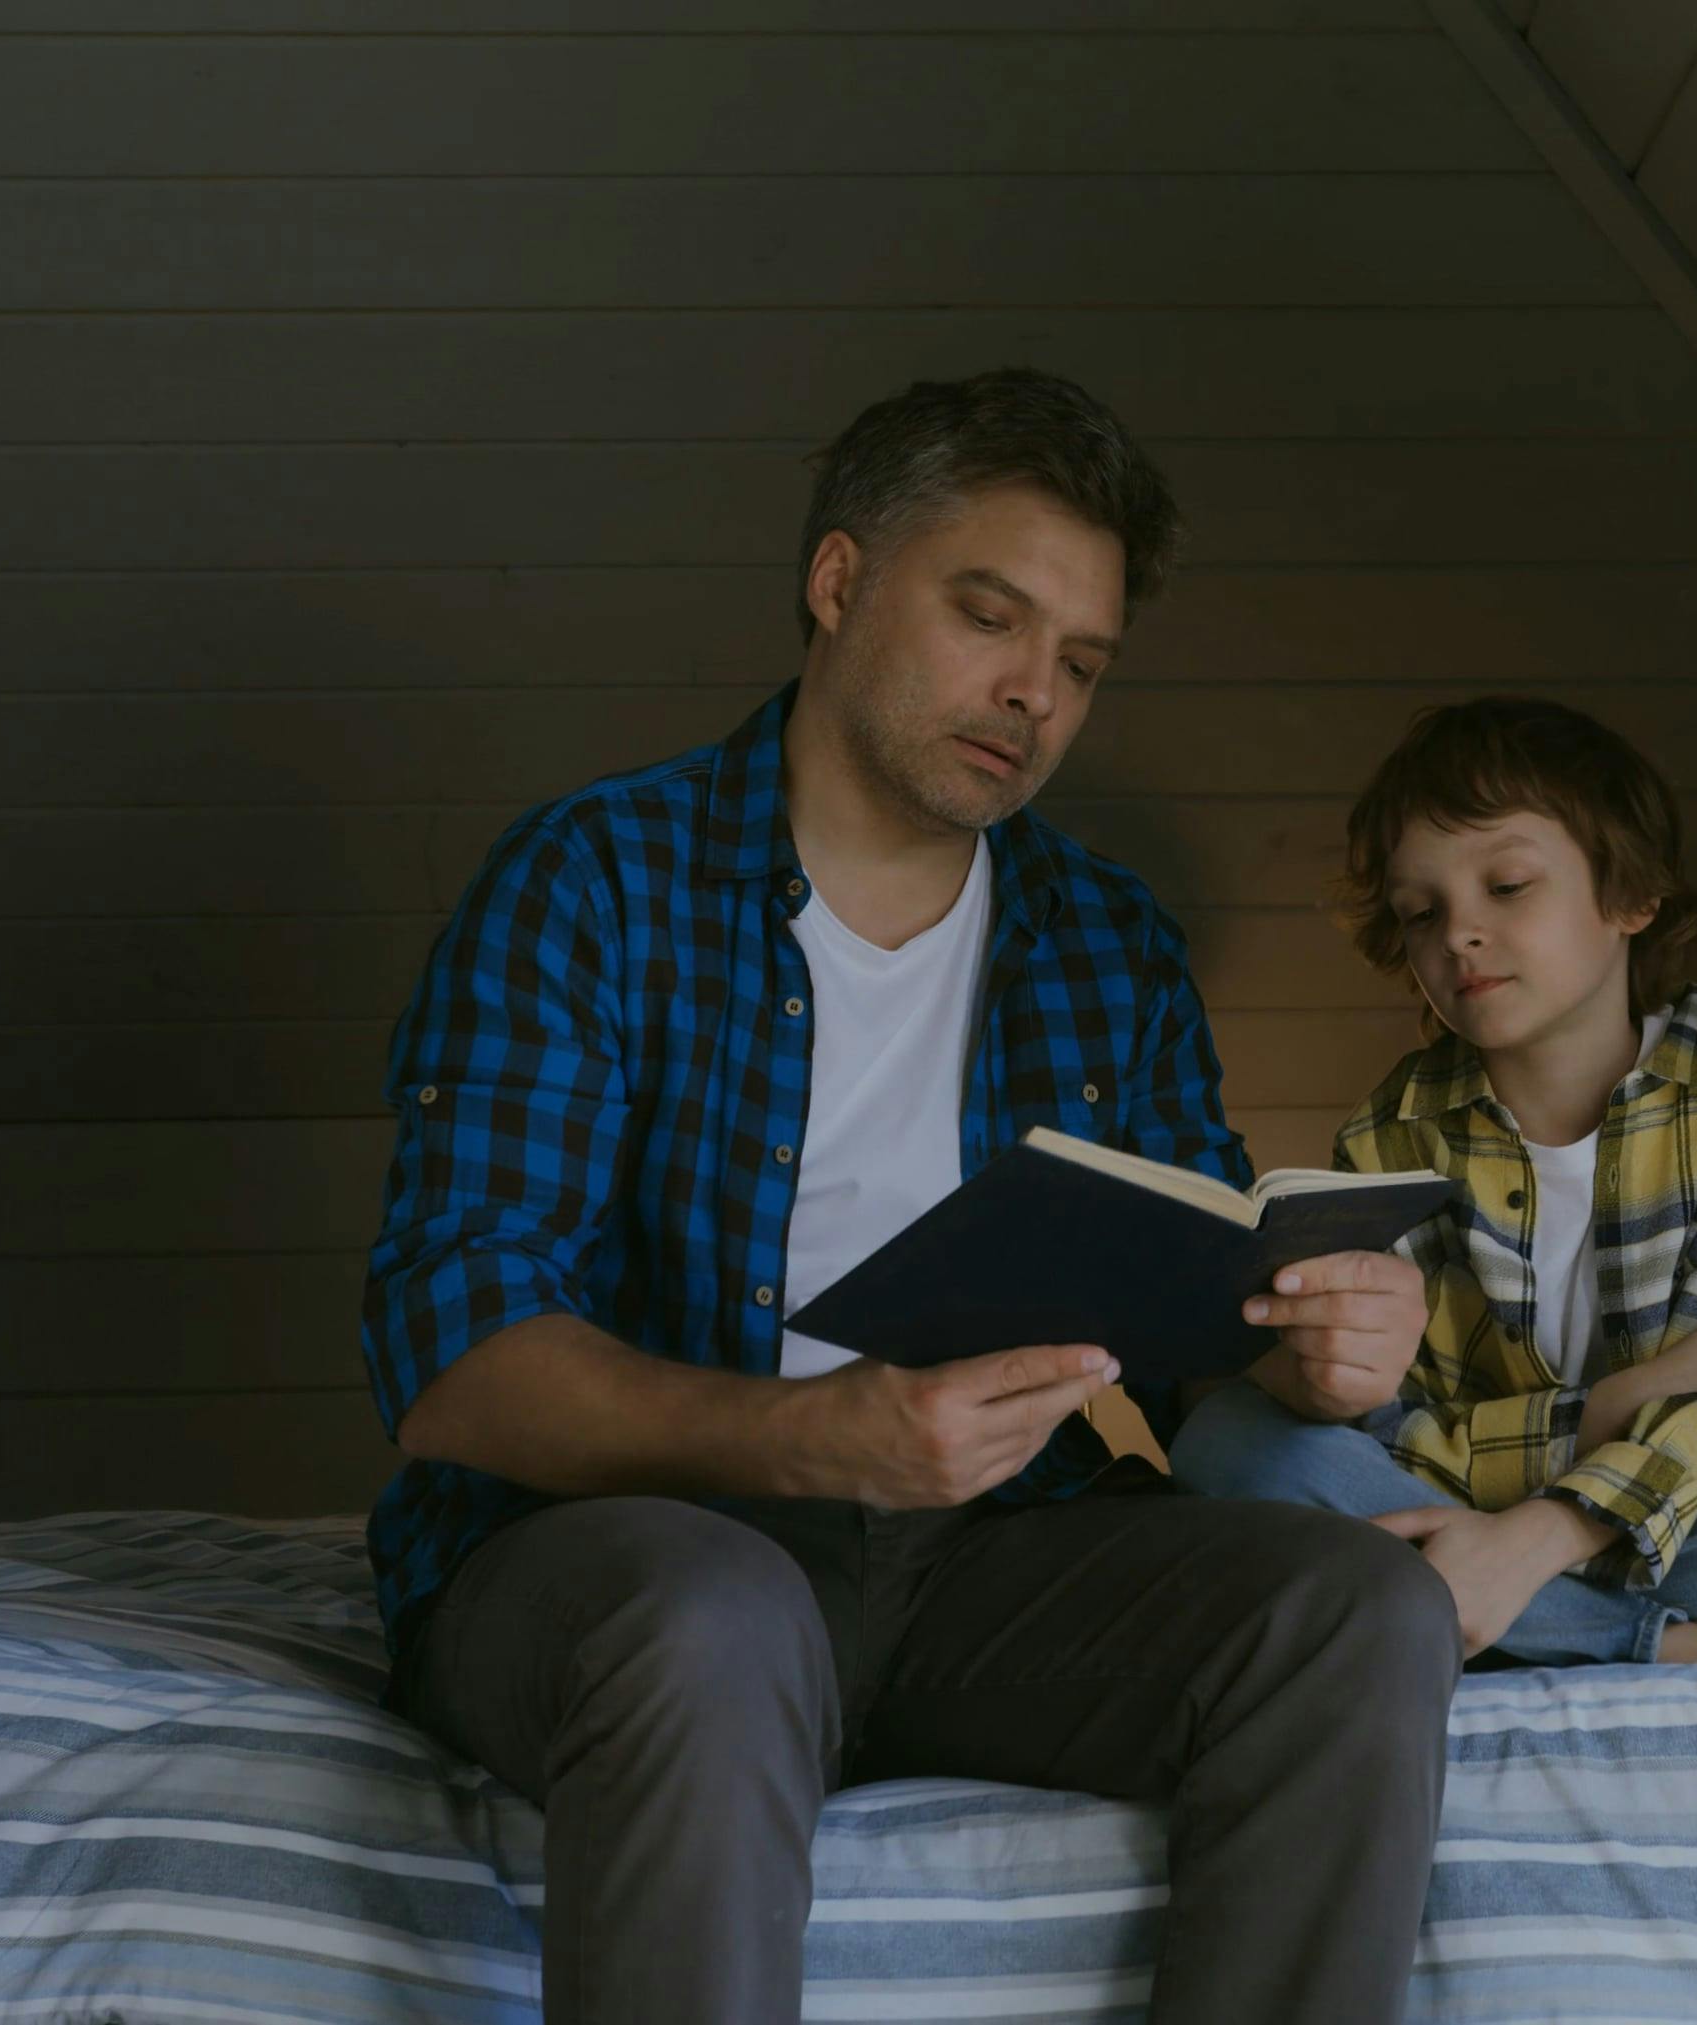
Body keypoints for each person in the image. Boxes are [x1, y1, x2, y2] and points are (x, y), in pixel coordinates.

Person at [357, 370, 1458, 2025]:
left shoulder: (1105, 935)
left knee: (1359, 1606)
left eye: (1079, 666)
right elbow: (459, 1361)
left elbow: (1181, 1307)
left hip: (985, 1563)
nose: (1032, 694)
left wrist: (1309, 1345)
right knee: (716, 1616)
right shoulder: (590, 881)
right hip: (630, 1563)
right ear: (839, 581)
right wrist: (815, 1439)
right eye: (989, 618)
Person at [1169, 697, 1697, 1668]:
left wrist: (1539, 1539)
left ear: (1631, 898)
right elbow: (1398, 1431)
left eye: (1508, 885)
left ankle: (1495, 1618)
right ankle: (1685, 1649)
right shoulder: (1389, 1139)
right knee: (1225, 1442)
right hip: (1470, 1511)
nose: (1459, 935)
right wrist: (1602, 1411)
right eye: (1421, 913)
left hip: (1689, 1501)